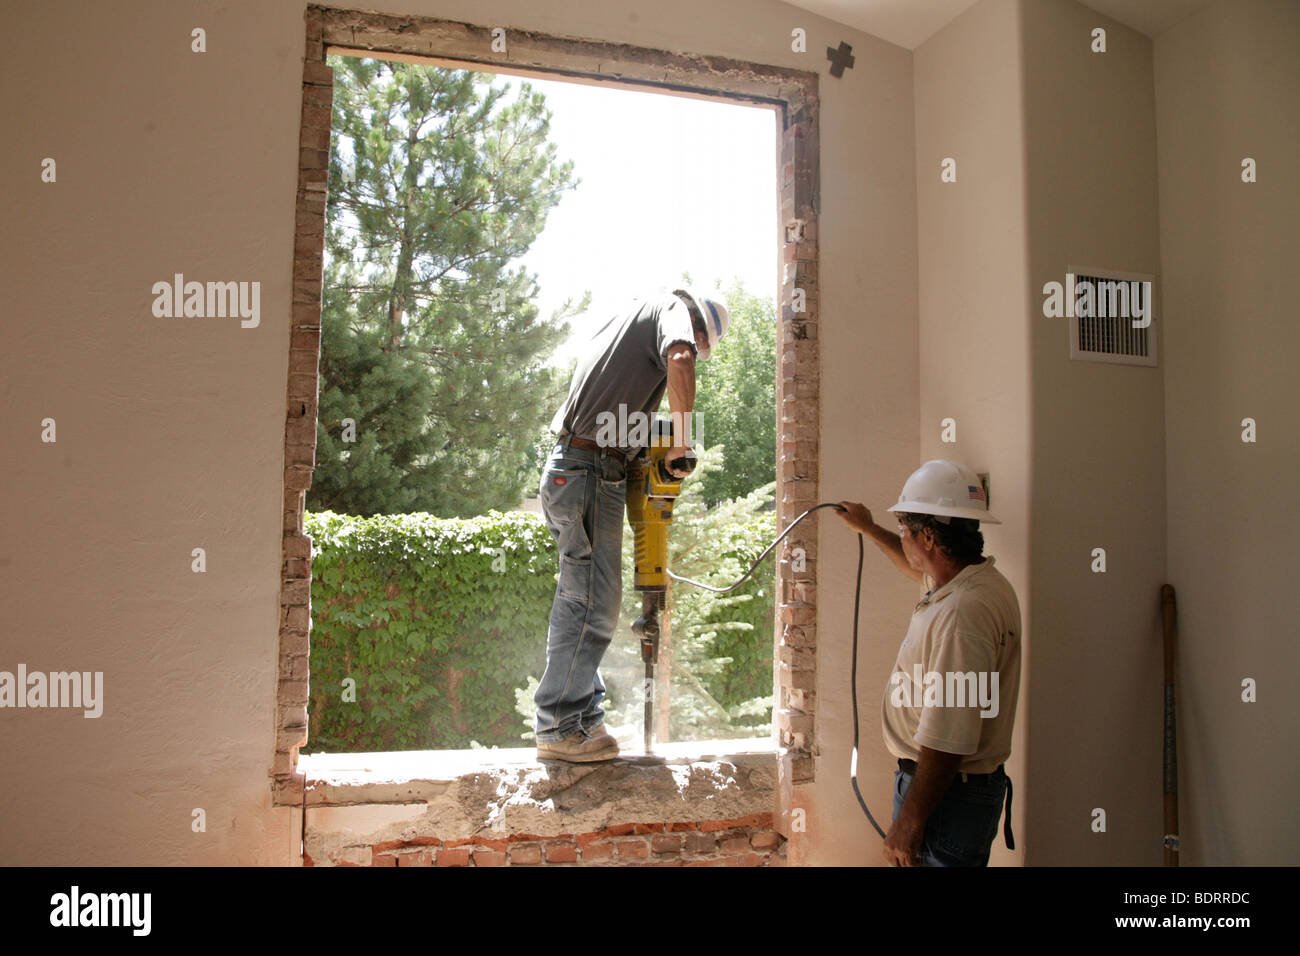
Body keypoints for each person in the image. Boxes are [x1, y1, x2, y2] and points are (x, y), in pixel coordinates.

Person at [534, 288, 730, 762]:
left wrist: (649, 448)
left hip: (581, 468)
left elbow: (618, 417)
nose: (693, 352)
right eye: (701, 344)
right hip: (587, 468)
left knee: (590, 595)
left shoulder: (626, 321)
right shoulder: (671, 311)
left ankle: (582, 718)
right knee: (590, 600)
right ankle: (559, 727)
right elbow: (680, 358)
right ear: (697, 325)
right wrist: (682, 442)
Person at [837, 459, 1020, 866]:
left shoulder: (962, 614)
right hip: (946, 790)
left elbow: (948, 736)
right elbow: (912, 566)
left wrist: (910, 823)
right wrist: (868, 528)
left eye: (905, 530)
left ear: (929, 538)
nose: (902, 539)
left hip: (947, 796)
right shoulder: (967, 582)